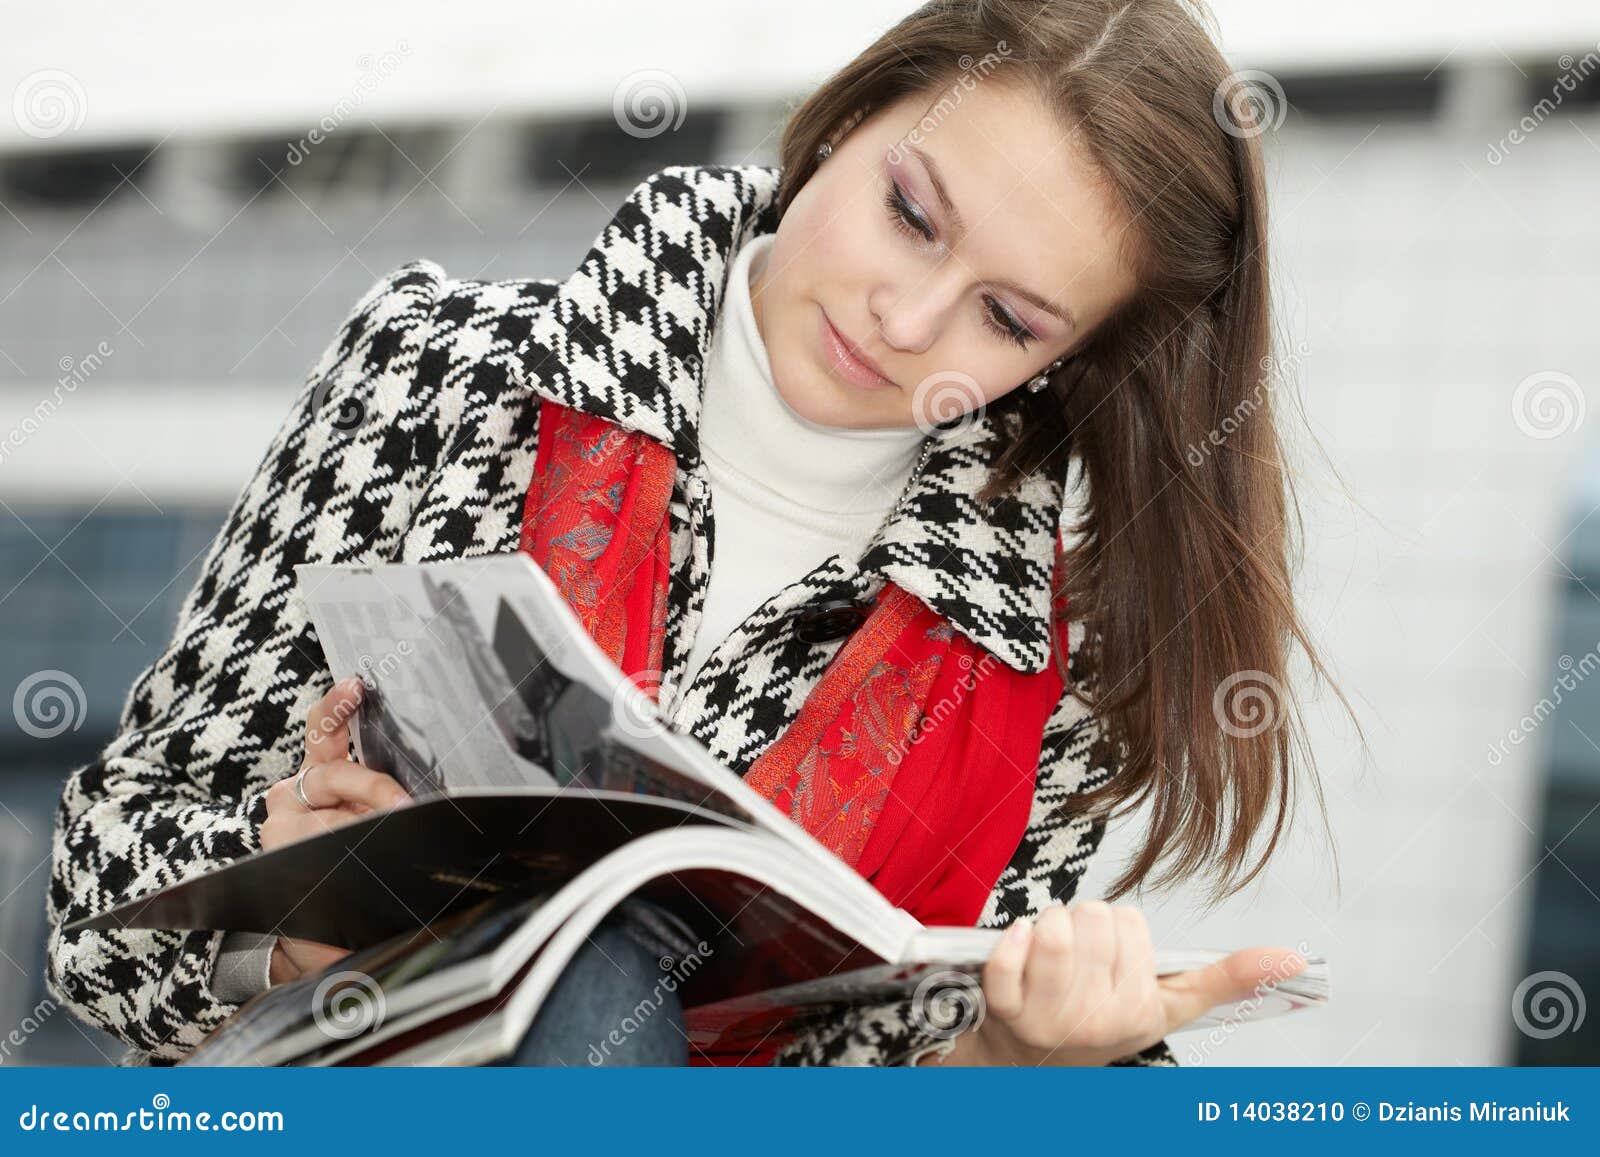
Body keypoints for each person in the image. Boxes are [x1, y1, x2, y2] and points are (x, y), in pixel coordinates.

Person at [46, 0, 1346, 1068]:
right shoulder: (440, 372)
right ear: (846, 118)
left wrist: (1013, 1063)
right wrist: (286, 927)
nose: (907, 320)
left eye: (1007, 319)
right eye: (909, 213)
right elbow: (97, 895)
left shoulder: (1043, 677)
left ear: (1071, 360)